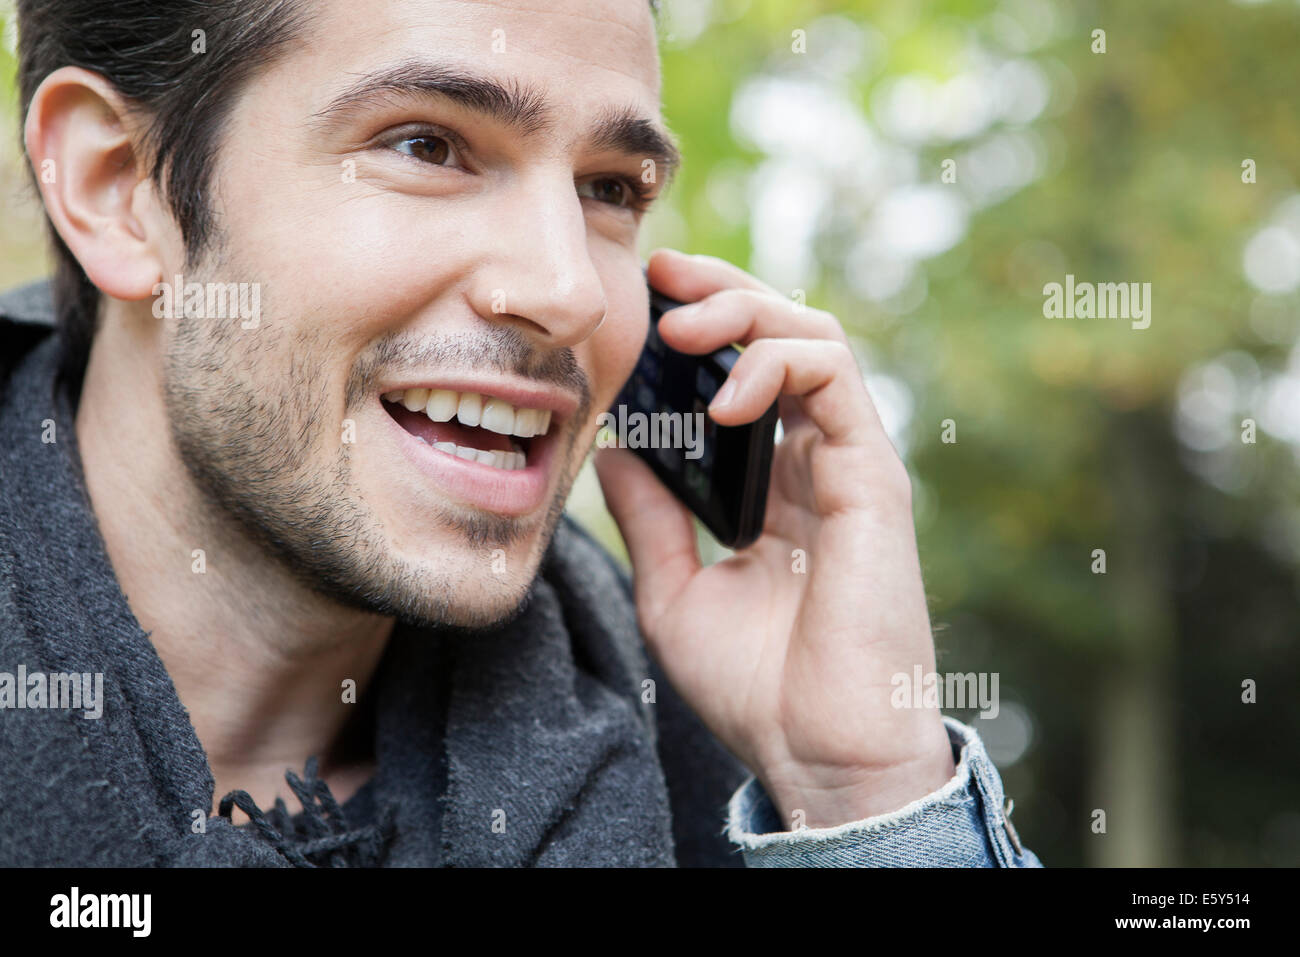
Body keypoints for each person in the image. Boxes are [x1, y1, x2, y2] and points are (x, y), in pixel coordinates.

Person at [0, 0, 1040, 867]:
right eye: (427, 146)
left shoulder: (710, 774)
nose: (569, 290)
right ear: (116, 187)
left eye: (608, 190)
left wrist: (860, 793)